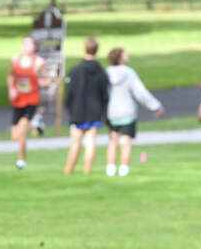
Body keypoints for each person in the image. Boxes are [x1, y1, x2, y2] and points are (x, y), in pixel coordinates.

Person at [104, 48, 164, 176]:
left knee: (113, 140)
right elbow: (140, 92)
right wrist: (155, 106)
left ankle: (110, 169)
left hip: (111, 112)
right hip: (127, 111)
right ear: (121, 58)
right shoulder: (129, 73)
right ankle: (124, 169)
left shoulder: (106, 73)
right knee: (125, 140)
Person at [63, 37, 109, 175]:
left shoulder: (75, 70)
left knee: (75, 143)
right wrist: (103, 112)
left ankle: (68, 171)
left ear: (85, 49)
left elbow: (69, 93)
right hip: (95, 110)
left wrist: (69, 108)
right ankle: (87, 172)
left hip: (78, 110)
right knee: (90, 142)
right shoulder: (101, 71)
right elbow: (104, 94)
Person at [7, 36, 46, 170]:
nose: (26, 46)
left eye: (29, 44)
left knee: (22, 131)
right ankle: (35, 125)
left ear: (35, 47)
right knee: (15, 136)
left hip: (32, 100)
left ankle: (21, 161)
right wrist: (11, 89)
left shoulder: (39, 62)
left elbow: (46, 79)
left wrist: (42, 81)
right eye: (25, 44)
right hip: (18, 101)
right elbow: (10, 75)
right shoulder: (15, 59)